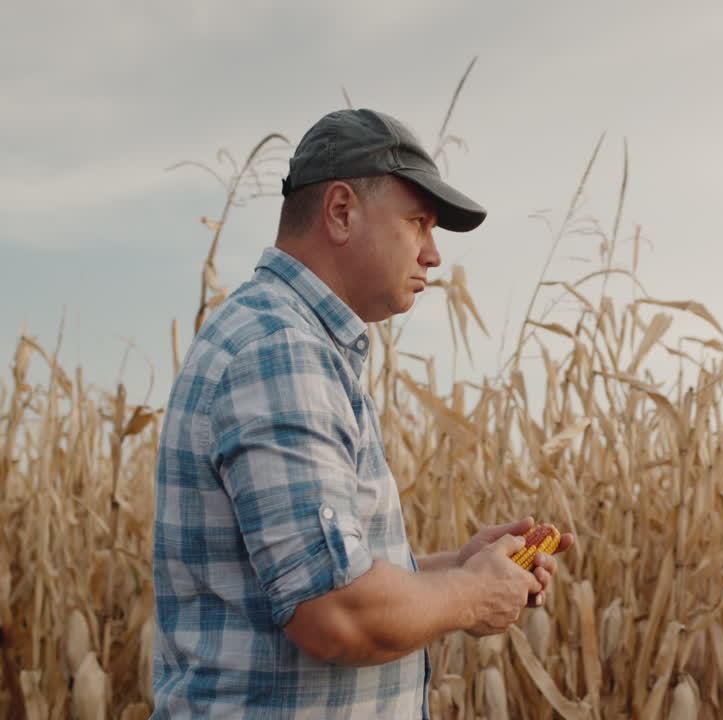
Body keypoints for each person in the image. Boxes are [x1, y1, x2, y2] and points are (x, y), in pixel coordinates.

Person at [151, 108, 572, 718]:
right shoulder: (280, 351)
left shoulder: (289, 339)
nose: (432, 254)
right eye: (418, 223)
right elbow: (334, 614)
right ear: (342, 212)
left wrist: (456, 567)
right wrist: (473, 594)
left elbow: (309, 578)